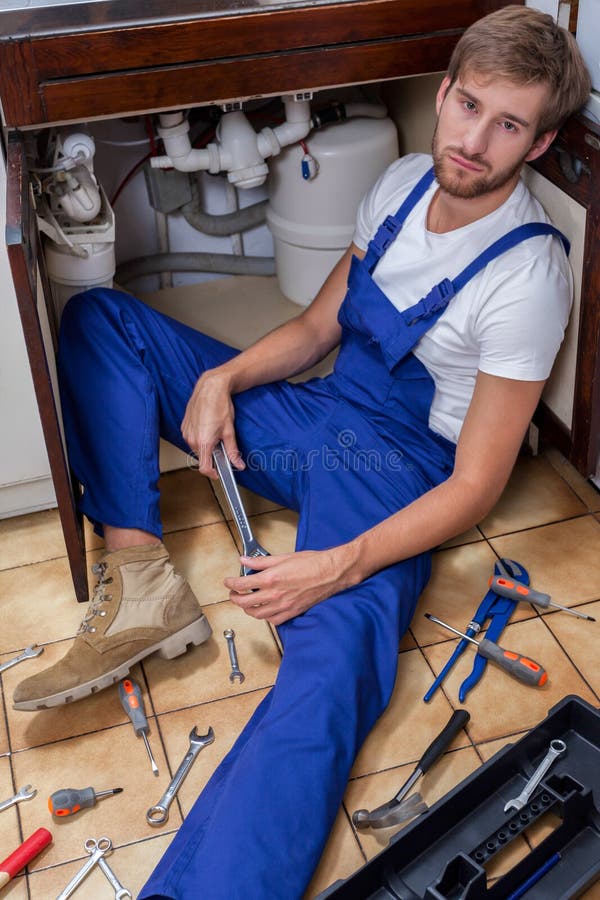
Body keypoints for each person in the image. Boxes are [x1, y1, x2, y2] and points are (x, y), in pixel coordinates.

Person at [14, 5, 590, 897]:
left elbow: (477, 485)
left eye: (508, 125)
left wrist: (337, 567)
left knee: (331, 679)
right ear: (445, 94)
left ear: (541, 142)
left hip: (399, 476)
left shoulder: (529, 273)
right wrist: (225, 379)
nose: (475, 141)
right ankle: (141, 578)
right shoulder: (402, 183)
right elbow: (321, 327)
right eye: (470, 105)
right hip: (321, 415)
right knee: (103, 320)